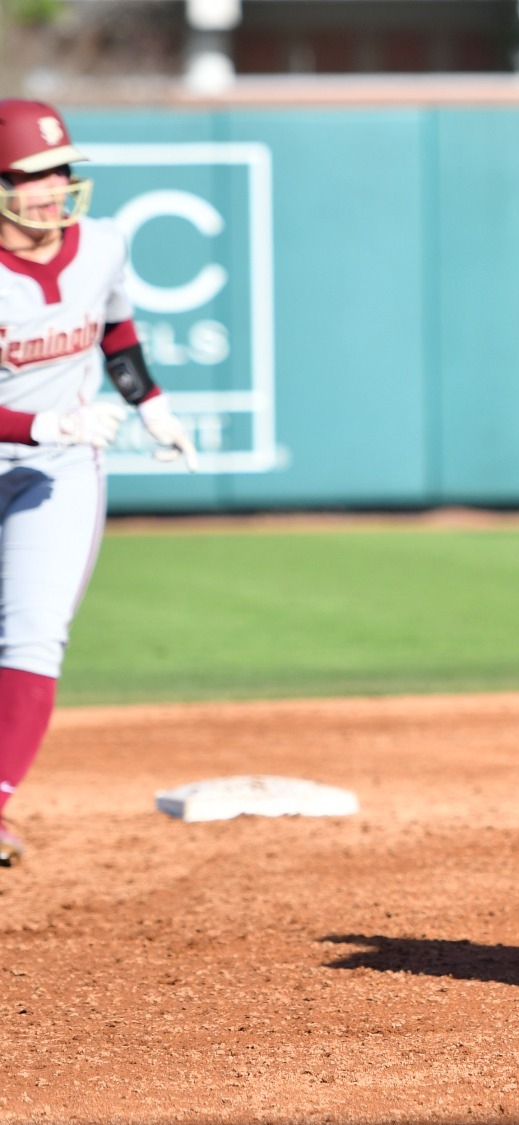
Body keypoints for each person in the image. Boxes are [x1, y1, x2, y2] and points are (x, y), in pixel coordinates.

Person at [0, 99, 198, 867]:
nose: (54, 186)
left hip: (58, 469)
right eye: (32, 173)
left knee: (35, 634)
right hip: (47, 439)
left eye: (62, 169)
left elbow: (114, 327)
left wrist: (152, 405)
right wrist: (45, 425)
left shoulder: (103, 245)